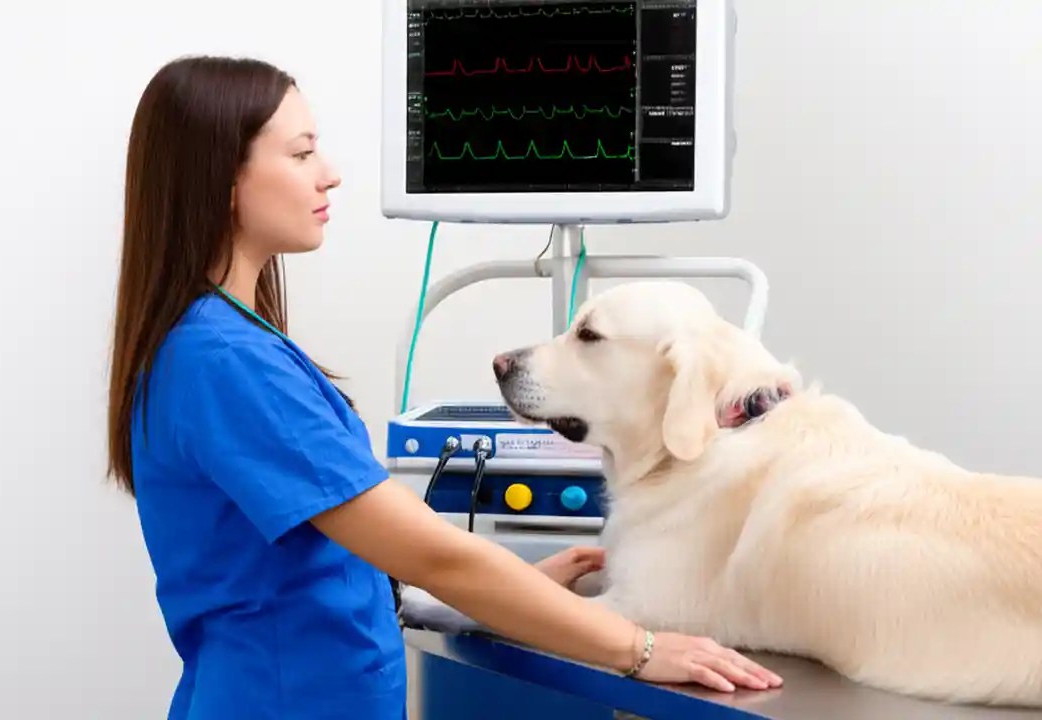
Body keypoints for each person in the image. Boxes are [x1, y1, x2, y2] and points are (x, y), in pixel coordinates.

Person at [106, 55, 783, 720]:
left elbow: (321, 565)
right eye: (302, 154)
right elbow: (431, 552)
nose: (330, 174)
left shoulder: (221, 341)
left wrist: (504, 593)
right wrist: (637, 649)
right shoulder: (226, 362)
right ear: (223, 176)